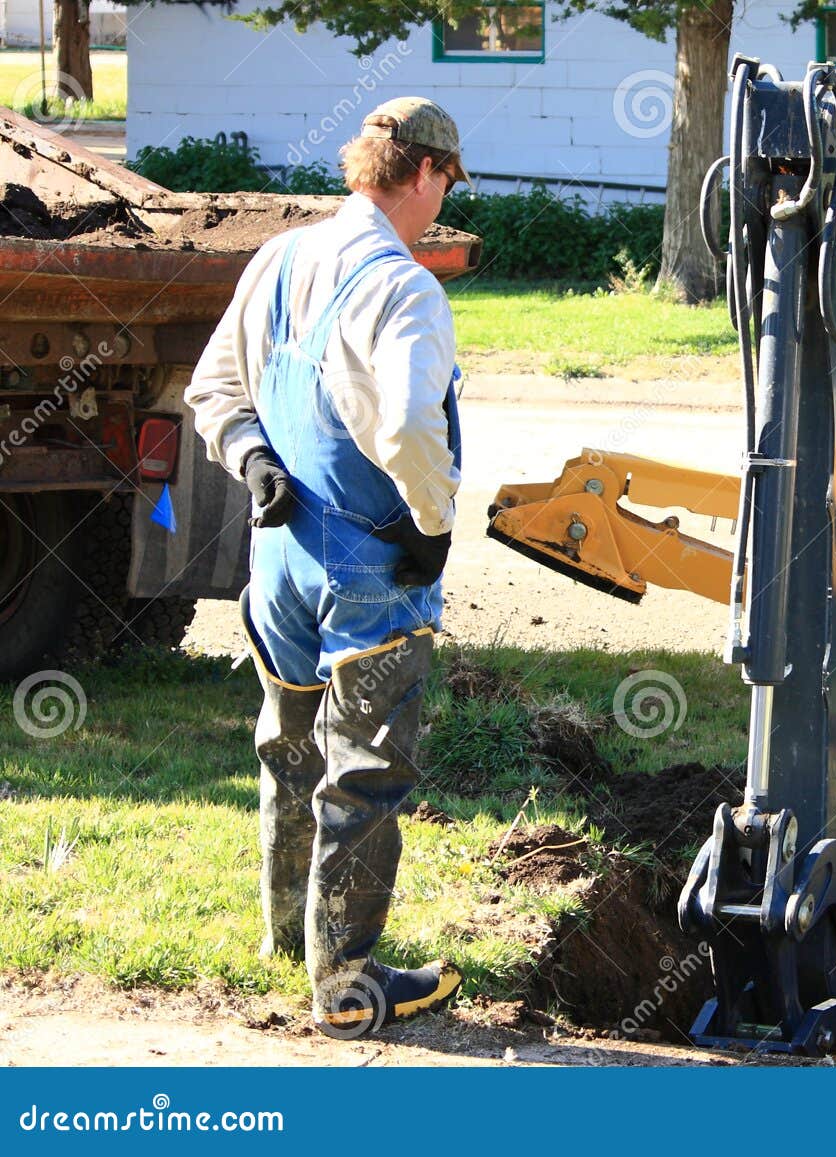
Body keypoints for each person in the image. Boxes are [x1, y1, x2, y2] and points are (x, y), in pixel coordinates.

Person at [187, 97, 470, 1039]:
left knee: (288, 748)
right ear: (425, 172)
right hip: (371, 570)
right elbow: (403, 427)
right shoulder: (405, 288)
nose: (443, 202)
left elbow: (215, 388)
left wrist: (253, 462)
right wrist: (432, 522)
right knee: (364, 772)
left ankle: (285, 937)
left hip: (278, 561)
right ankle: (346, 979)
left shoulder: (281, 258)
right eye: (447, 184)